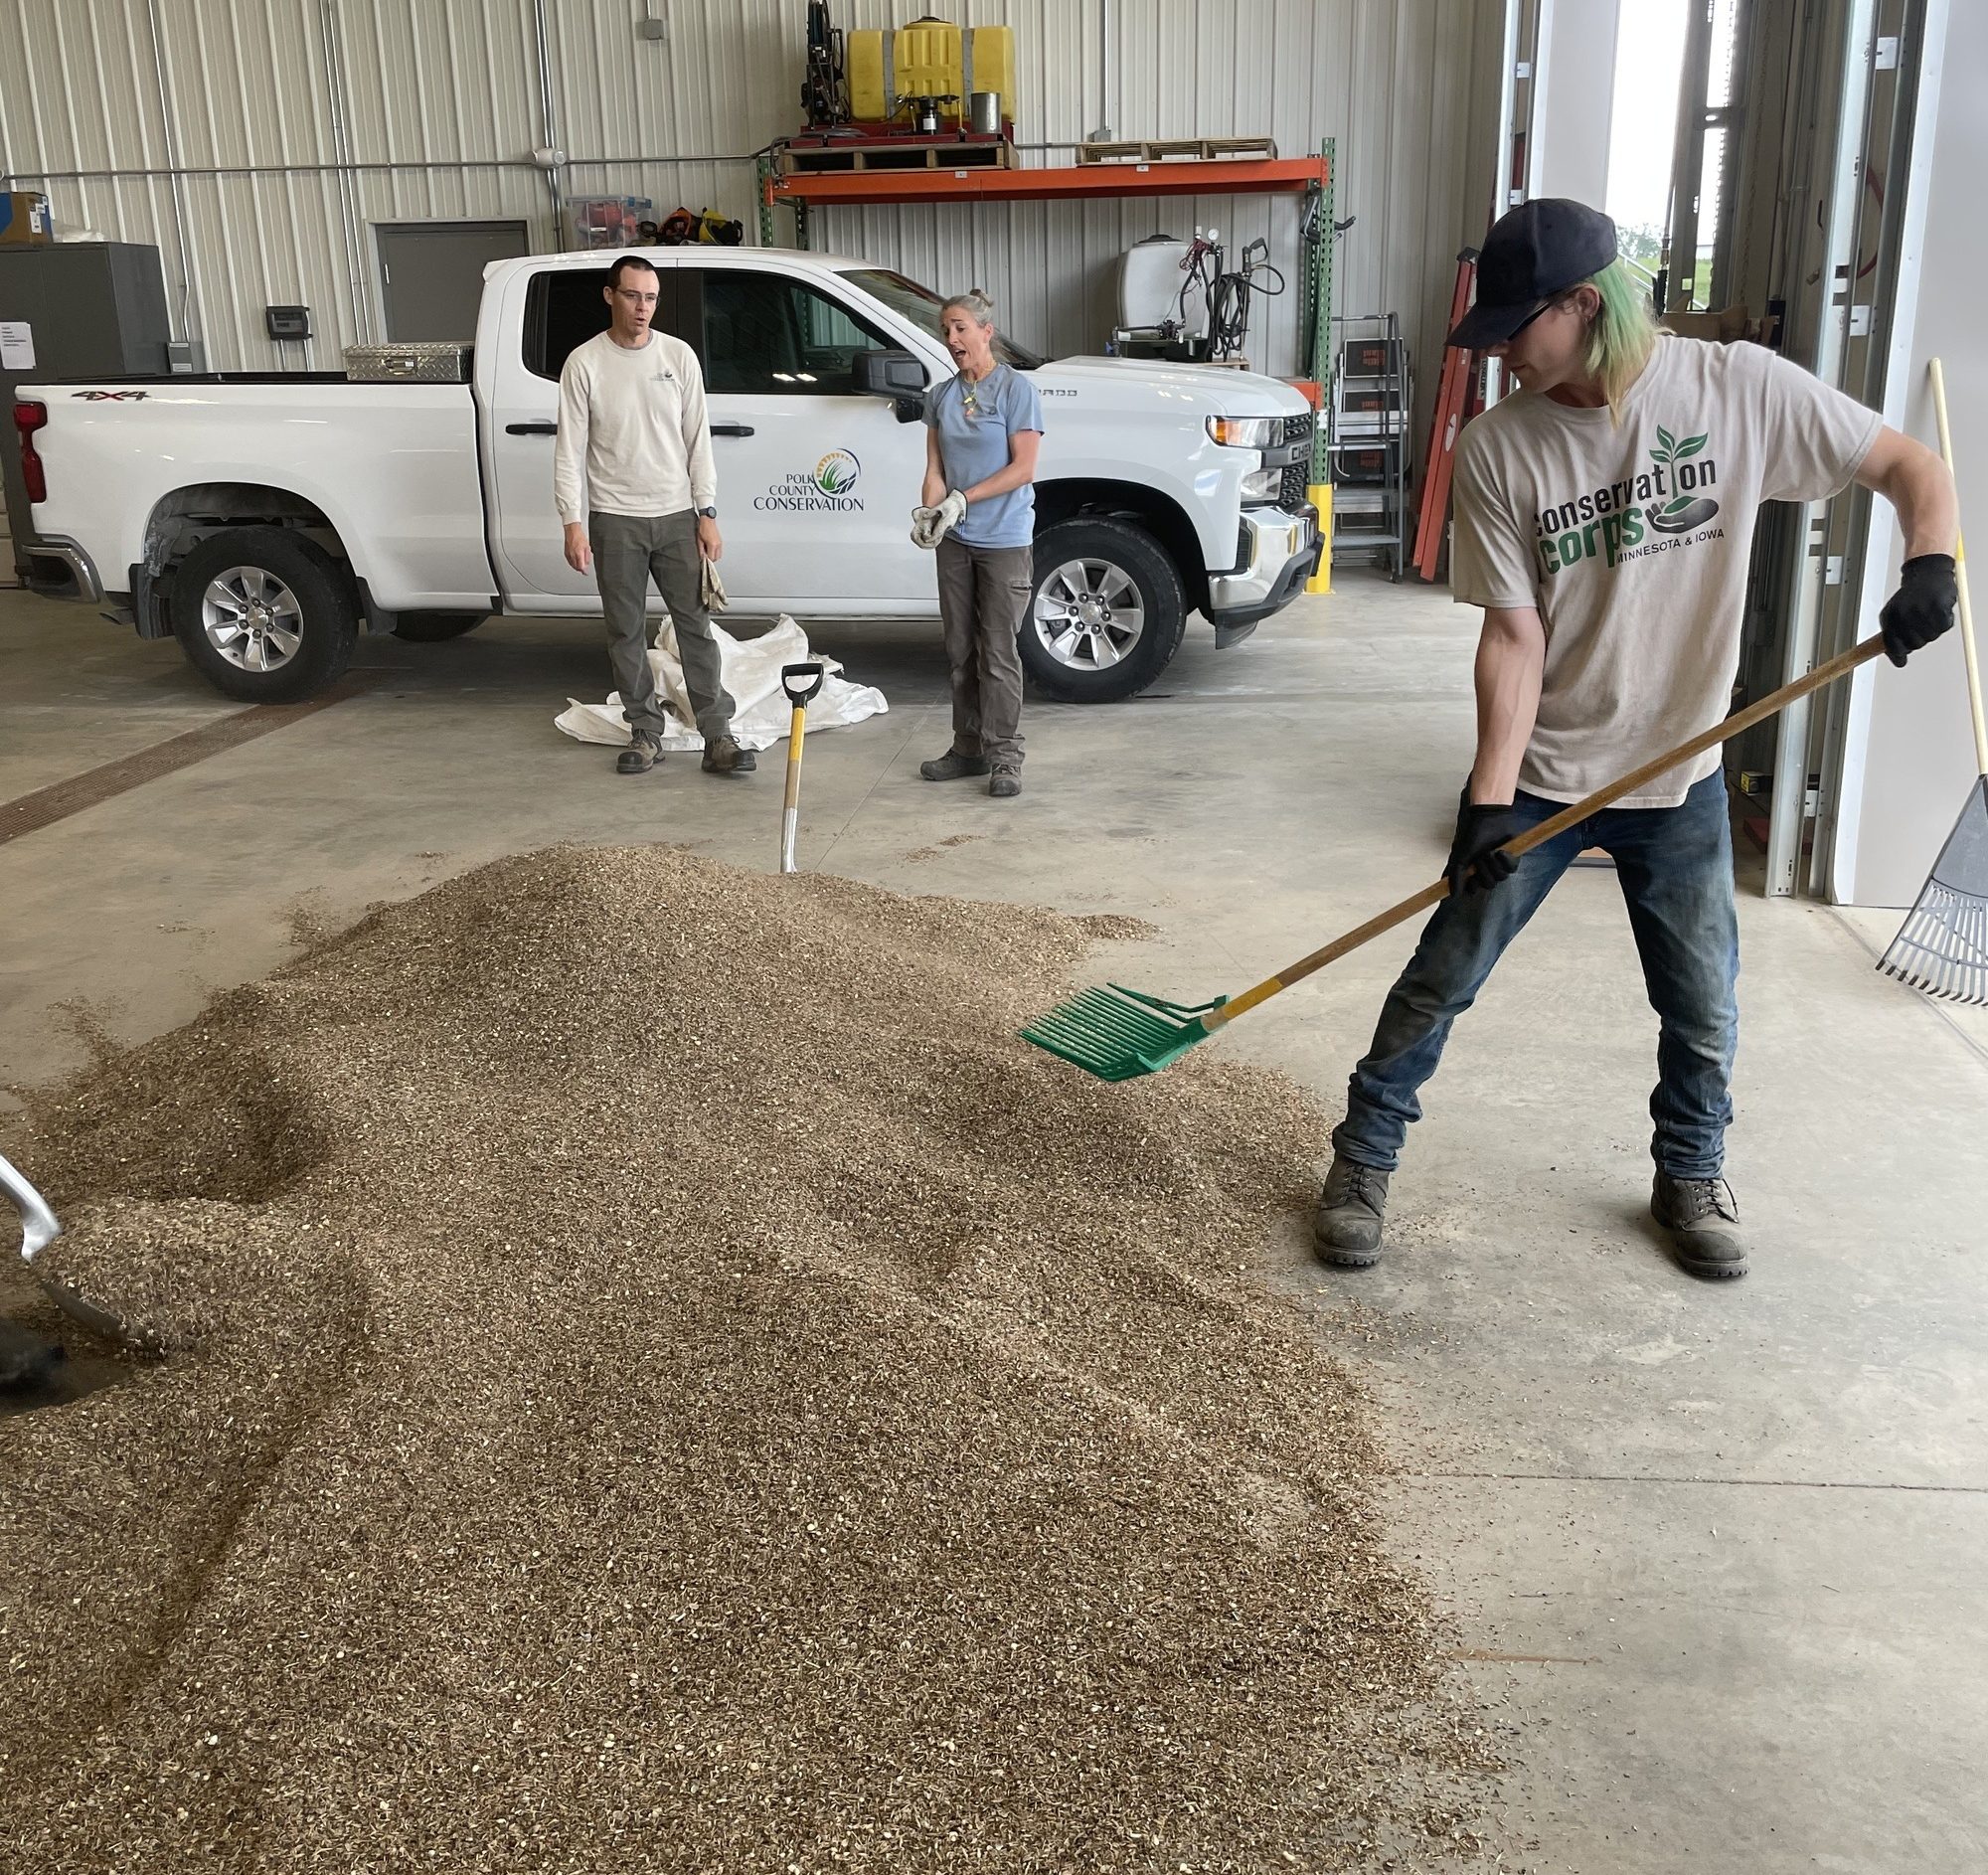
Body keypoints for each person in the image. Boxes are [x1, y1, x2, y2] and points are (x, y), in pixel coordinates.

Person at [1312, 198, 1958, 1282]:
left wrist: (1927, 565)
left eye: (1520, 327)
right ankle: (1360, 1158)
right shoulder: (1496, 446)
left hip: (1683, 771)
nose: (1503, 353)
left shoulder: (1736, 388)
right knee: (1439, 974)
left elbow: (1910, 469)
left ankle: (1688, 1171)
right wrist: (1486, 799)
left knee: (1701, 1000)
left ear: (1582, 304)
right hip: (1547, 775)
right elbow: (1513, 639)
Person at [553, 253, 750, 779]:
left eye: (651, 297)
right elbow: (569, 452)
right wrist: (572, 522)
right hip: (614, 518)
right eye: (634, 295)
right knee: (625, 630)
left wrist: (706, 512)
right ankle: (645, 731)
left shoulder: (678, 357)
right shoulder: (585, 363)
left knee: (695, 626)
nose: (643, 307)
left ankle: (718, 734)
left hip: (677, 515)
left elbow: (697, 441)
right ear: (610, 296)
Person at [912, 289, 1045, 800]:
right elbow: (935, 469)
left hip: (1003, 539)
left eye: (961, 328)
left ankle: (1004, 756)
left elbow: (1024, 469)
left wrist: (962, 500)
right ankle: (967, 748)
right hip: (956, 539)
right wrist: (931, 512)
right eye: (946, 329)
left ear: (986, 331)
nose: (952, 339)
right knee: (959, 650)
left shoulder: (1015, 391)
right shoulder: (942, 395)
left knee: (997, 651)